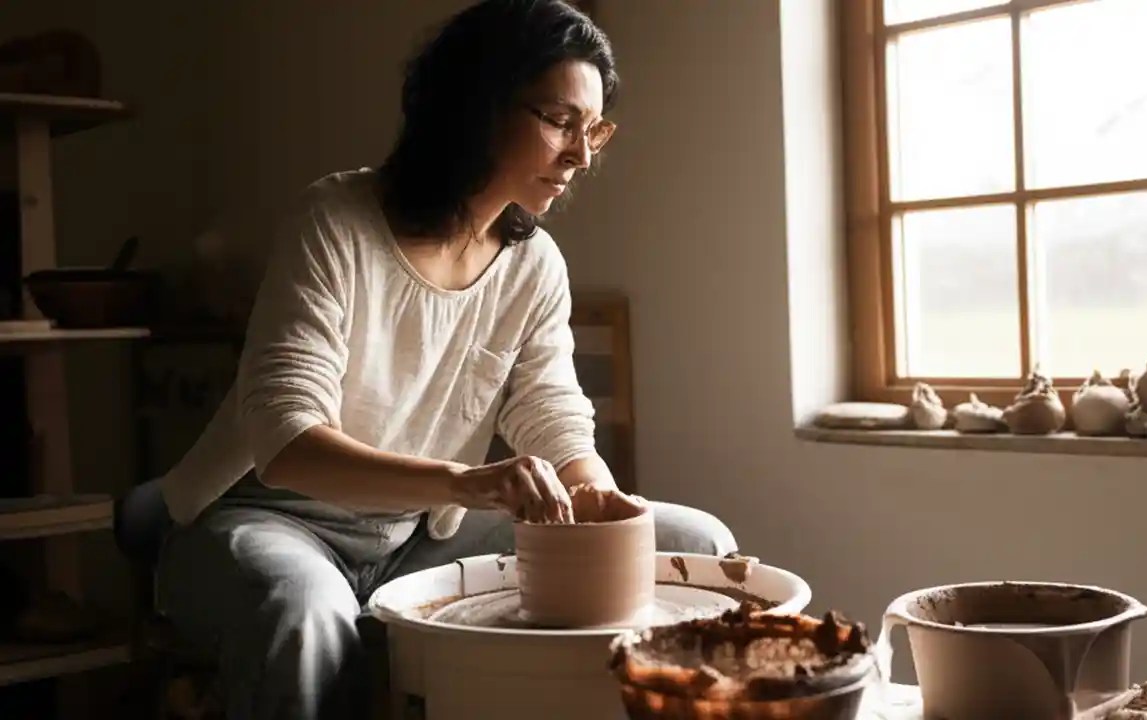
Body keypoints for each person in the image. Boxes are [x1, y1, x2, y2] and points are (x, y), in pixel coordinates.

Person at [153, 1, 737, 718]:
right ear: (476, 105)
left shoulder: (534, 265)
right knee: (305, 612)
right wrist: (466, 481)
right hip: (269, 521)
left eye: (594, 130)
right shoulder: (336, 221)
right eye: (560, 122)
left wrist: (597, 499)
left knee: (693, 540)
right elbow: (285, 442)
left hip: (415, 534)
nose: (582, 156)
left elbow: (551, 415)